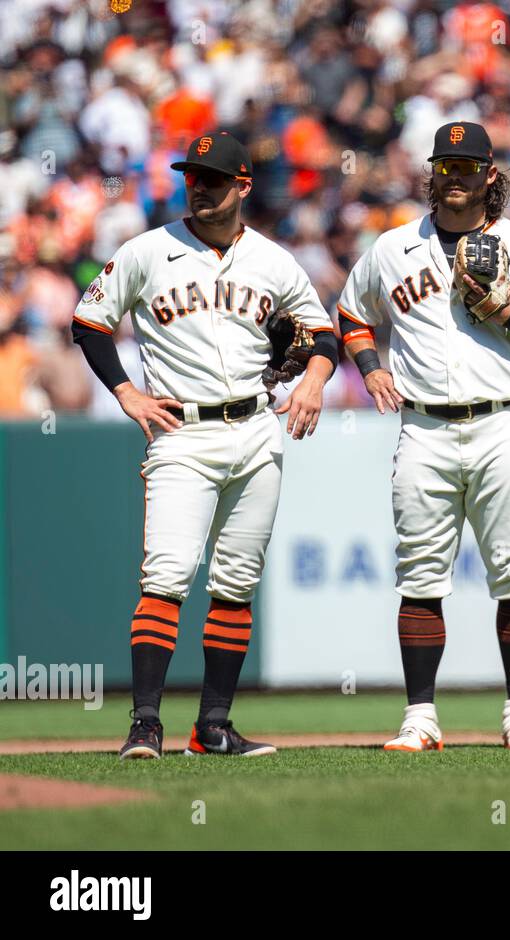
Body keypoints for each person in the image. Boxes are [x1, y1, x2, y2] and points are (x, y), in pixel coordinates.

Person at [70, 131, 338, 759]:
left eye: (213, 179)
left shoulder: (274, 260)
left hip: (256, 428)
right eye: (192, 177)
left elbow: (322, 334)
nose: (200, 187)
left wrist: (315, 381)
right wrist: (126, 393)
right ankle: (144, 724)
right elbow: (88, 322)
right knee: (166, 575)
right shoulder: (147, 250)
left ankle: (212, 726)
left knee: (236, 582)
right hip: (181, 432)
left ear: (242, 186)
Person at [336, 122, 510, 750]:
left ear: (489, 175)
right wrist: (371, 368)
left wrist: (509, 316)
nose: (456, 177)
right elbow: (352, 314)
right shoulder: (394, 246)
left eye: (468, 167)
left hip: (503, 420)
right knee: (419, 574)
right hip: (423, 425)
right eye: (446, 166)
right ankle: (420, 716)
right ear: (432, 172)